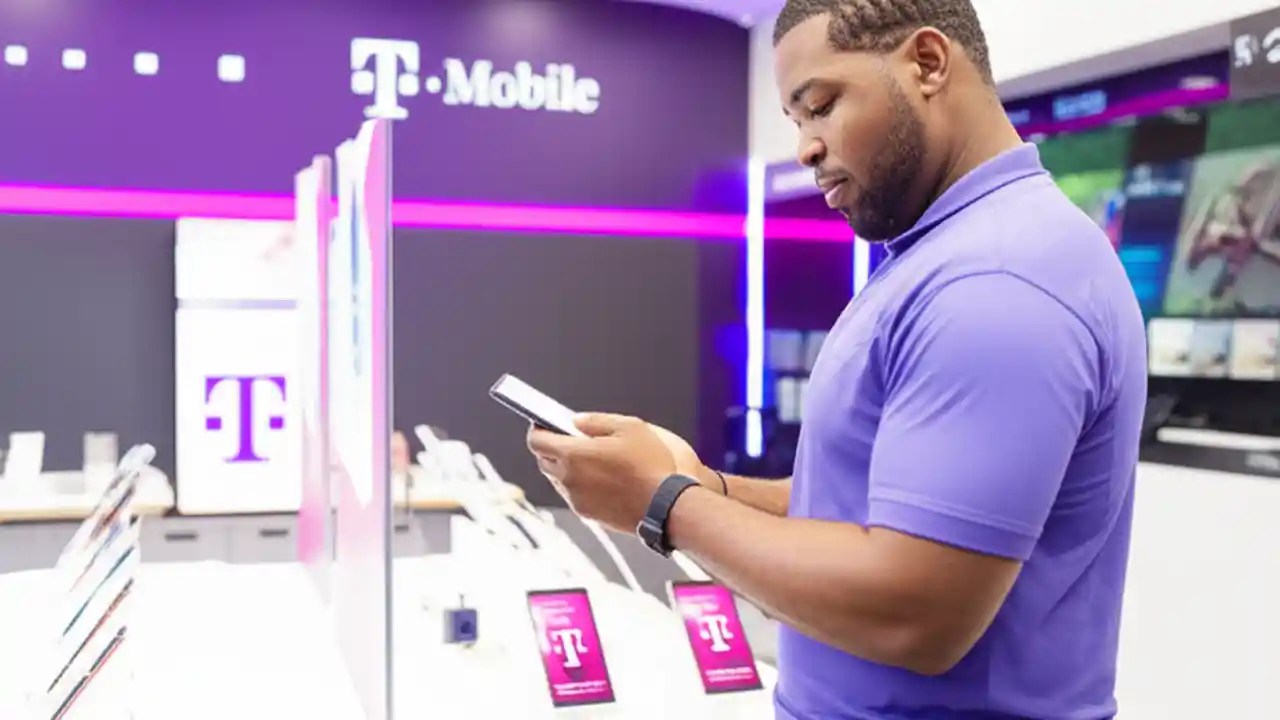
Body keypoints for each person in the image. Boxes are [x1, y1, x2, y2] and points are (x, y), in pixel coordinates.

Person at [526, 1, 1147, 717]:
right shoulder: (937, 258)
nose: (806, 148)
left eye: (819, 107)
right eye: (797, 122)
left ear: (927, 63)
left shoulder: (997, 283)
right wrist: (703, 484)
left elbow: (914, 613)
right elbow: (865, 503)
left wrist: (663, 504)